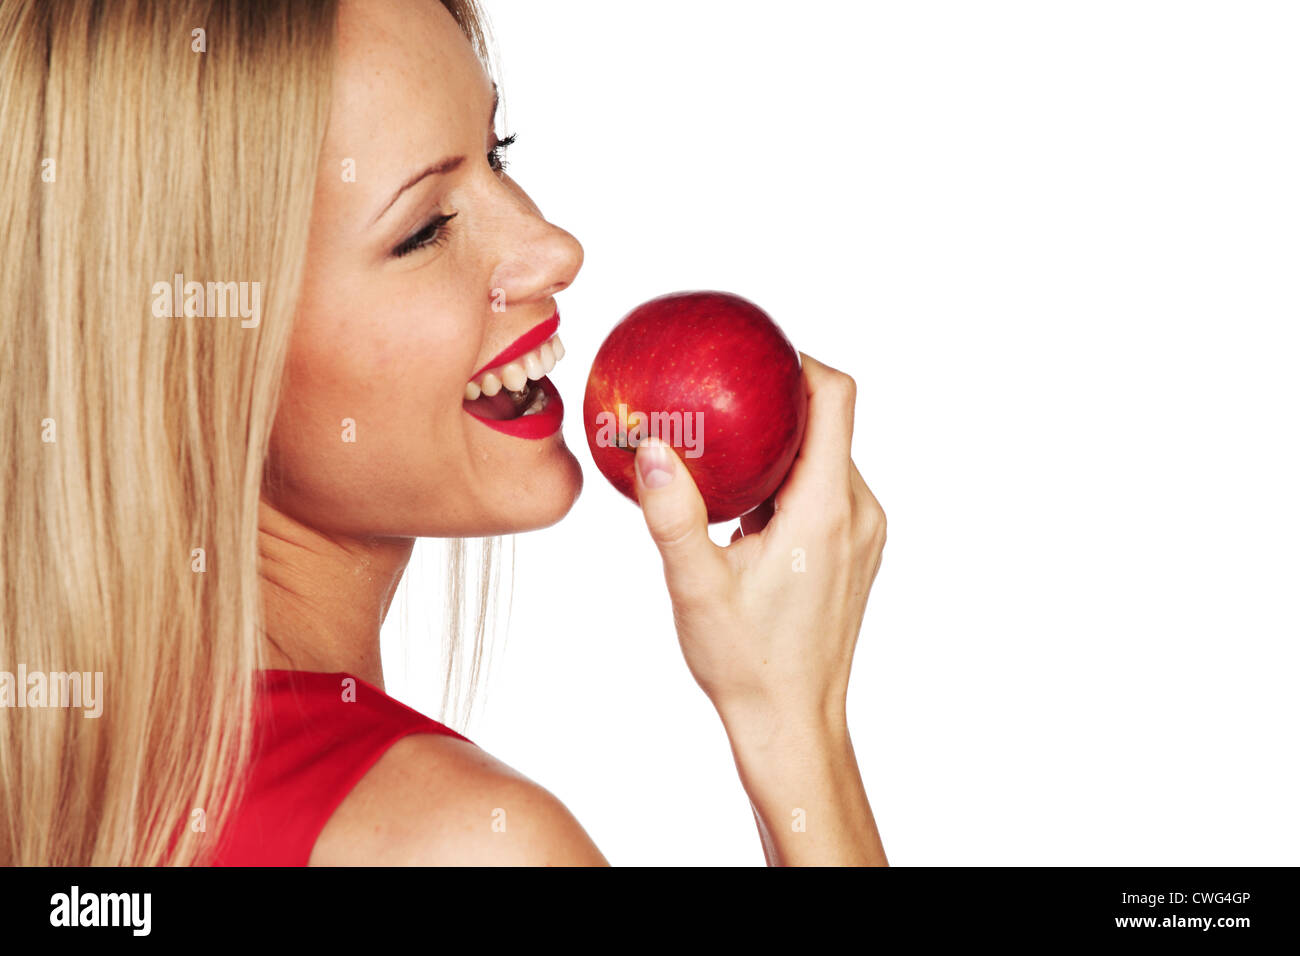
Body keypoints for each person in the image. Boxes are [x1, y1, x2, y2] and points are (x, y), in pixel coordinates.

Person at [0, 0, 887, 866]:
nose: (555, 247)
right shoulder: (463, 841)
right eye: (424, 229)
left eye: (499, 155)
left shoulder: (54, 783)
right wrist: (798, 737)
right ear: (193, 352)